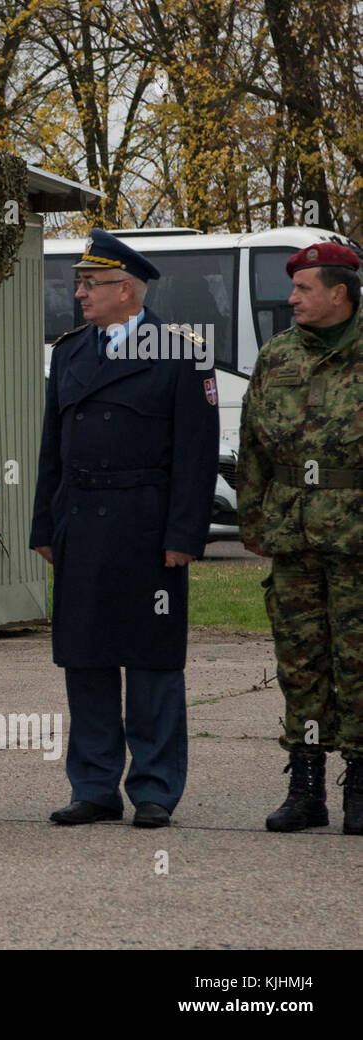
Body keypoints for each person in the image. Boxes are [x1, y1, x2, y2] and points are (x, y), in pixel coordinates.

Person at [30, 228, 218, 829]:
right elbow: (51, 452)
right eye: (79, 284)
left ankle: (156, 787)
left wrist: (184, 536)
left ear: (128, 290)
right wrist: (44, 525)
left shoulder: (182, 352)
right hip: (81, 526)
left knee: (152, 661)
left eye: (90, 284)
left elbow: (196, 455)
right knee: (84, 658)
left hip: (146, 530)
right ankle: (93, 786)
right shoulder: (69, 352)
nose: (79, 294)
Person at [237, 241, 363, 835]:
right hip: (292, 533)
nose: (291, 299)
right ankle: (305, 785)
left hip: (357, 534)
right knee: (300, 662)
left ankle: (361, 783)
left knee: (358, 661)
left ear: (338, 292)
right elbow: (253, 446)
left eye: (303, 289)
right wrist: (253, 520)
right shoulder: (276, 356)